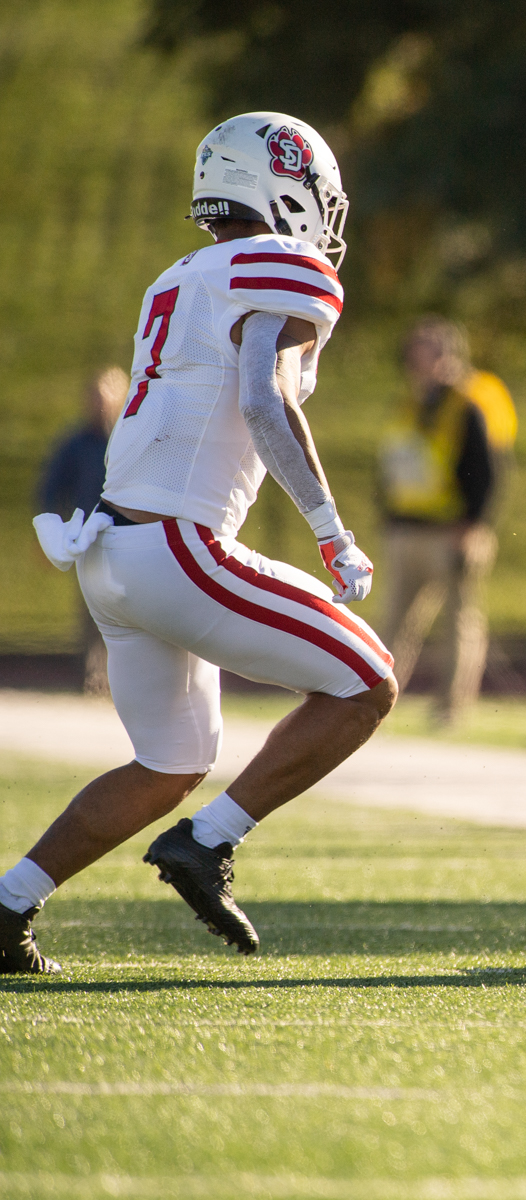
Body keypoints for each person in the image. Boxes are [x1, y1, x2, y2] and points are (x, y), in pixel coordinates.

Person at [2, 112, 393, 975]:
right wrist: (332, 531)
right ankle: (207, 845)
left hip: (107, 547)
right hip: (178, 545)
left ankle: (6, 903)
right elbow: (264, 397)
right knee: (367, 682)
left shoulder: (178, 275)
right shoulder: (285, 264)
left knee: (171, 760)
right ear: (285, 186)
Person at [376, 317, 499, 726]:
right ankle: (378, 702)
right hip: (408, 527)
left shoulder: (468, 407)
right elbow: (392, 464)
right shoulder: (407, 403)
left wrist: (473, 525)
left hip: (451, 532)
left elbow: (486, 473)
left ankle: (451, 708)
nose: (417, 359)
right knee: (394, 625)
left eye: (426, 350)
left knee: (458, 625)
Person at [36, 367, 128, 695]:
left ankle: (118, 678)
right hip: (86, 539)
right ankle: (93, 678)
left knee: (124, 606)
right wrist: (51, 534)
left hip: (125, 538)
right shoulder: (76, 443)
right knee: (91, 607)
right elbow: (50, 491)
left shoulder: (128, 438)